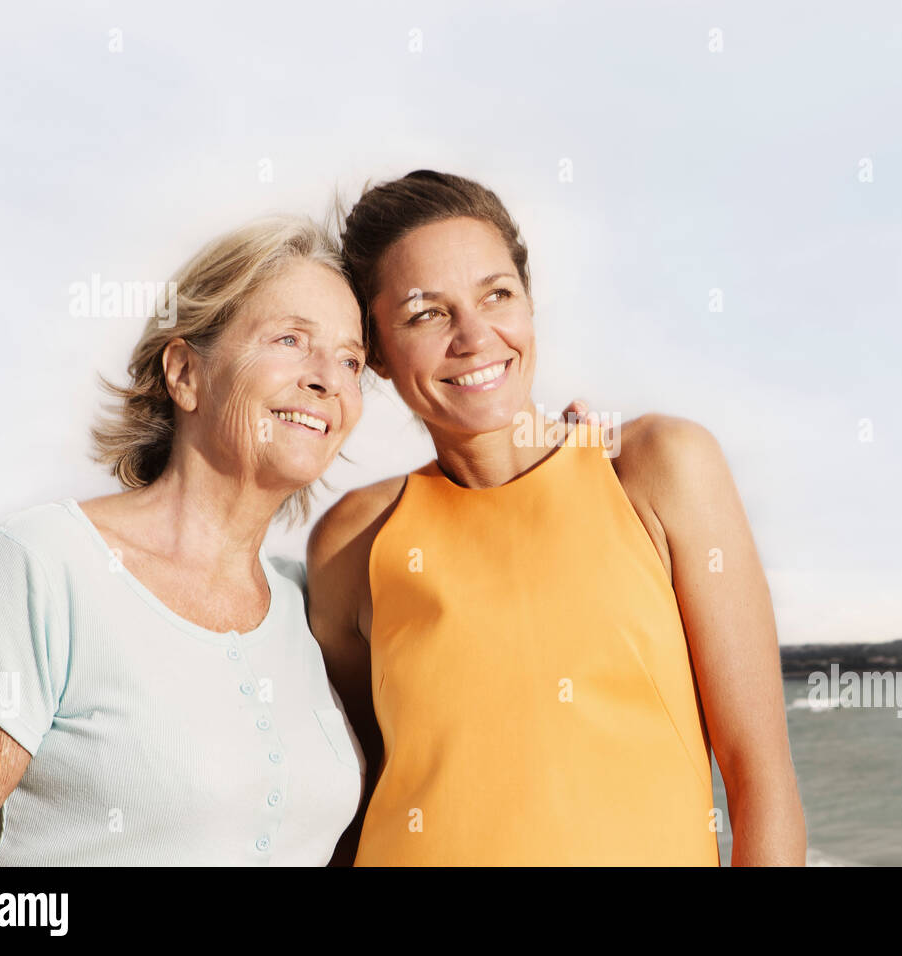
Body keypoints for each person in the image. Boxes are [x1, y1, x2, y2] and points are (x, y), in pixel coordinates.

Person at [310, 170, 806, 865]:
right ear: (380, 356)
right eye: (426, 313)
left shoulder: (656, 469)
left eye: (497, 295)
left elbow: (762, 781)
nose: (475, 336)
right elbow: (353, 796)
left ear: (530, 304)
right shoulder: (352, 539)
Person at [0, 215, 370, 865]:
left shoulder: (311, 606)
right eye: (290, 339)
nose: (327, 377)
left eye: (351, 359)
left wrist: (567, 471)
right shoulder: (42, 567)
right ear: (185, 372)